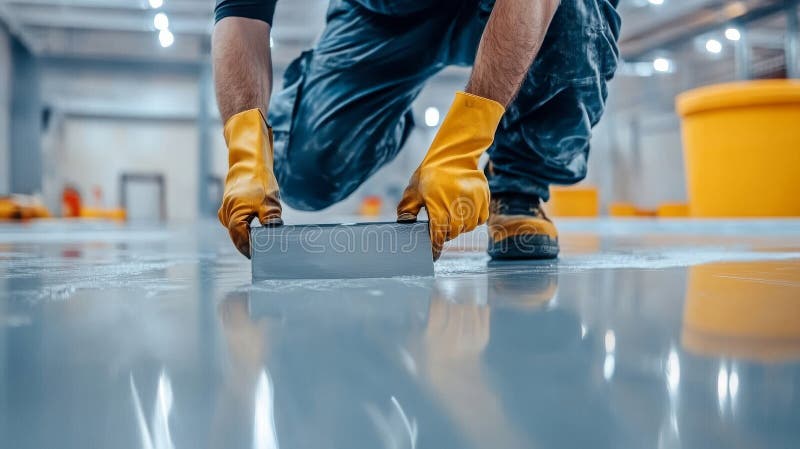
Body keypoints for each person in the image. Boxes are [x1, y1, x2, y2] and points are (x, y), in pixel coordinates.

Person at [213, 0, 620, 260]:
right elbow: (240, 15)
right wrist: (247, 150)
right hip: (382, 15)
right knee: (305, 172)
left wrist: (463, 147)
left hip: (503, 7)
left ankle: (518, 188)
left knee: (576, 16)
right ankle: (378, 123)